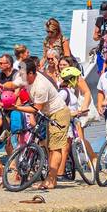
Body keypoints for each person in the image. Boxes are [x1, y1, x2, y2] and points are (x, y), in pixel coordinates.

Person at [22, 57, 71, 191]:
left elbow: (36, 108)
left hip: (59, 113)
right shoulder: (28, 79)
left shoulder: (41, 85)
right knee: (50, 147)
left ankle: (50, 179)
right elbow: (14, 85)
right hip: (48, 114)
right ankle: (52, 180)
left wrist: (16, 107)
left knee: (55, 148)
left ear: (31, 73)